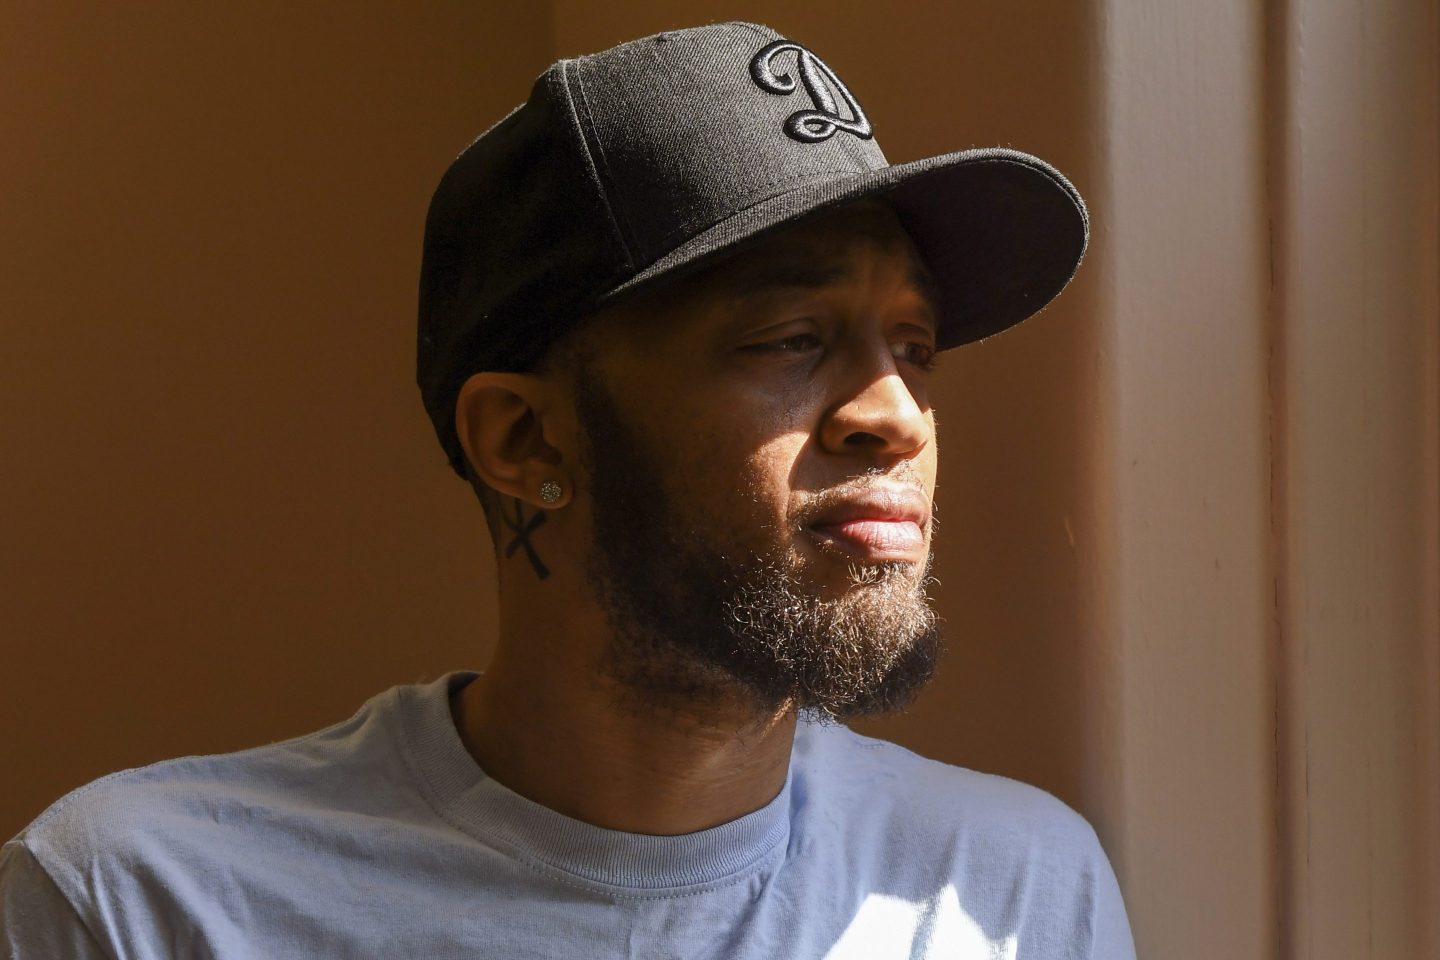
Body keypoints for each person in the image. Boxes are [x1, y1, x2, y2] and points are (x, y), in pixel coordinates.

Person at [0, 21, 1135, 958]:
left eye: (915, 347)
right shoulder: (142, 905)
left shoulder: (1007, 894)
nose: (893, 414)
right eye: (793, 338)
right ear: (524, 436)